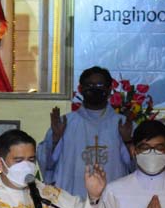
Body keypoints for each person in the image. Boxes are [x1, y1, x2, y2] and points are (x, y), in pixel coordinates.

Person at [39, 66, 134, 197]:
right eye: (90, 85)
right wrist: (55, 139)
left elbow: (137, 168)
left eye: (100, 85)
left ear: (109, 89)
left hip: (114, 200)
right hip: (74, 199)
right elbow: (47, 164)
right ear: (81, 89)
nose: (95, 88)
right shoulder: (65, 123)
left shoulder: (123, 124)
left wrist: (128, 141)